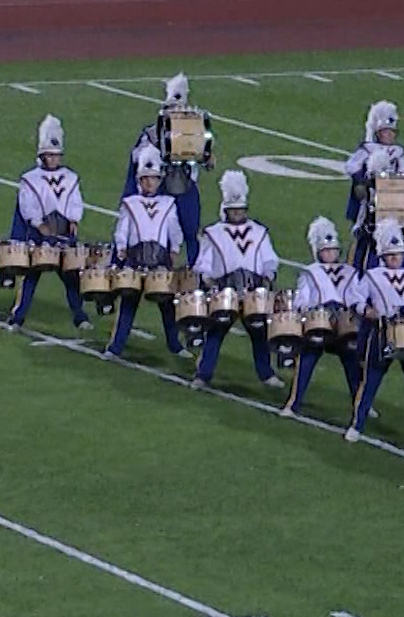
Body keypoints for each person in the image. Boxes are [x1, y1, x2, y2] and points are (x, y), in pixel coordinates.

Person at [191, 171, 282, 390]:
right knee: (216, 331)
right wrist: (207, 278)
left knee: (259, 333)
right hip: (225, 289)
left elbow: (269, 259)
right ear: (226, 210)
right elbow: (202, 261)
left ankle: (266, 374)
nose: (237, 214)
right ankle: (203, 374)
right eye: (233, 210)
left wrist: (268, 275)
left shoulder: (259, 231)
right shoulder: (213, 233)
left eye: (240, 210)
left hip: (253, 290)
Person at [345, 219, 404, 444]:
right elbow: (354, 298)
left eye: (398, 254)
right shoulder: (372, 275)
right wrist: (367, 310)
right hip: (382, 331)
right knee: (372, 378)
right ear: (382, 256)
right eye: (391, 255)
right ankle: (357, 424)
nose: (395, 259)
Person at [6, 114, 90, 331]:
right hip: (40, 233)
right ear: (42, 156)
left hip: (63, 232)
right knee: (31, 276)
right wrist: (39, 224)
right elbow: (27, 205)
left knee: (71, 276)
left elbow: (75, 201)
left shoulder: (71, 177)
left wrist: (73, 219)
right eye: (49, 156)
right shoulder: (30, 178)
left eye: (56, 155)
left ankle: (80, 316)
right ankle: (18, 316)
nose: (54, 159)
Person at [104, 147, 189, 361]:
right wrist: (121, 246)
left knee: (167, 306)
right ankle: (115, 347)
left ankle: (175, 345)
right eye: (145, 179)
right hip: (135, 259)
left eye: (153, 179)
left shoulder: (168, 203)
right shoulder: (130, 203)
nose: (150, 183)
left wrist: (175, 249)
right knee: (128, 305)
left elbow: (174, 229)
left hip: (159, 260)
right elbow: (122, 228)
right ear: (139, 180)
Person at [279, 216, 363, 420]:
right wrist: (309, 310)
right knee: (307, 360)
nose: (330, 254)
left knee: (352, 363)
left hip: (343, 324)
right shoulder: (310, 272)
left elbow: (356, 296)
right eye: (325, 251)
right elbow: (302, 299)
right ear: (318, 252)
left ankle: (361, 405)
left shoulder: (349, 272)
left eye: (333, 250)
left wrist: (355, 309)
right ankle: (294, 403)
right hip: (319, 322)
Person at [122, 73, 207, 266]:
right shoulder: (151, 133)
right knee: (161, 234)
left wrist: (205, 157)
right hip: (160, 189)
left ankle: (198, 278)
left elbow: (207, 161)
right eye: (171, 110)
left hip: (186, 188)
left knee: (191, 233)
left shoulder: (194, 132)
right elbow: (138, 159)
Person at [344, 101, 404, 270]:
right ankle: (357, 266)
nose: (390, 135)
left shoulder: (397, 152)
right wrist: (364, 179)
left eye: (392, 131)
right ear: (378, 132)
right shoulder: (368, 149)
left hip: (394, 199)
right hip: (373, 198)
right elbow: (351, 166)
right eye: (386, 131)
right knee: (365, 231)